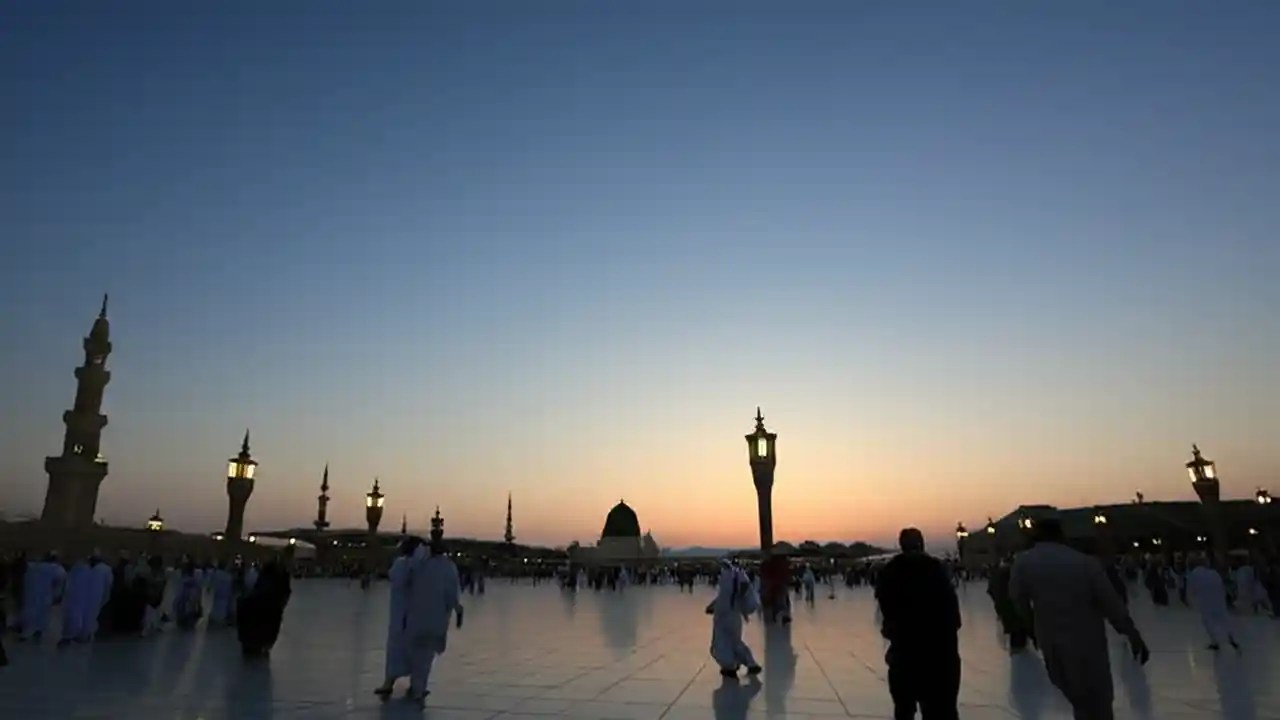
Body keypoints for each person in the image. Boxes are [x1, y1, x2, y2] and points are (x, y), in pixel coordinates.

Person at [1010, 519, 1148, 720]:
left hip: (1052, 641)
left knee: (1076, 697)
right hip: (1088, 640)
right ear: (1060, 535)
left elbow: (1017, 599)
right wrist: (1130, 632)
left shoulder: (1023, 562)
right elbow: (1110, 602)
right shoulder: (1083, 562)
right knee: (1098, 700)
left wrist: (1032, 627)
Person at [875, 528, 961, 720]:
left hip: (904, 651)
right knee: (942, 709)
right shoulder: (936, 569)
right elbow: (954, 617)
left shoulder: (890, 572)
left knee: (904, 709)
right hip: (940, 653)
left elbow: (886, 611)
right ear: (922, 543)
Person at [403, 537, 463, 703]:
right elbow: (452, 593)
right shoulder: (449, 567)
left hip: (416, 616)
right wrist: (458, 611)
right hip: (436, 618)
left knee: (416, 654)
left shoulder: (420, 565)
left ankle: (416, 686)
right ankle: (418, 689)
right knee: (426, 657)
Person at [375, 538, 420, 697]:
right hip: (412, 613)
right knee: (415, 651)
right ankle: (416, 685)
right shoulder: (418, 565)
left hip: (402, 613)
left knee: (396, 648)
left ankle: (389, 683)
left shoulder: (402, 565)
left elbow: (393, 577)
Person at [706, 559, 761, 678]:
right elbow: (725, 596)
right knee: (734, 641)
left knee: (721, 641)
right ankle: (749, 663)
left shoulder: (731, 576)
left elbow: (728, 596)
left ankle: (730, 666)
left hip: (726, 614)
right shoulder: (735, 576)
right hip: (731, 614)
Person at [237, 561, 292, 657]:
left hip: (255, 614)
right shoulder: (275, 588)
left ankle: (253, 645)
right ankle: (261, 645)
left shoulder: (261, 583)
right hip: (267, 612)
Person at [1186, 556, 1239, 651]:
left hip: (1205, 601)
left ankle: (1215, 642)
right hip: (1219, 600)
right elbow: (1221, 586)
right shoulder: (1214, 573)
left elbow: (1191, 589)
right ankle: (1231, 637)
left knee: (1208, 622)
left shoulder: (1194, 574)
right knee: (1223, 619)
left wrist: (1191, 601)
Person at [987, 556, 1030, 653]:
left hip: (1003, 605)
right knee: (1018, 626)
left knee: (1013, 626)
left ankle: (1017, 650)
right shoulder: (1013, 573)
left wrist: (997, 601)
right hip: (1015, 604)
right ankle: (1020, 649)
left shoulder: (997, 574)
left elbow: (990, 590)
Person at [20, 553, 66, 641]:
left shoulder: (33, 567)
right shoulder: (57, 569)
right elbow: (59, 583)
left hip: (31, 593)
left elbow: (25, 578)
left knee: (29, 611)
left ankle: (25, 633)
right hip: (46, 594)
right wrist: (57, 595)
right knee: (42, 613)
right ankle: (38, 631)